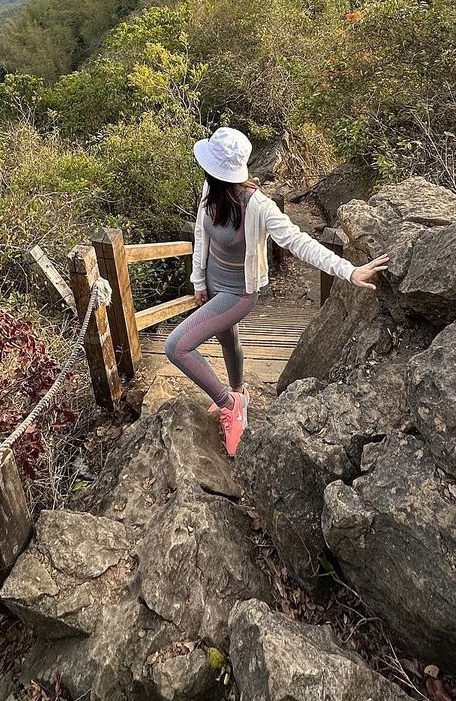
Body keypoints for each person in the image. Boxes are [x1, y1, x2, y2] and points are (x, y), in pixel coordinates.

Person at [164, 127, 389, 456]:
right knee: (229, 340)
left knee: (176, 346)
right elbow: (202, 233)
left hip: (238, 292)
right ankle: (239, 392)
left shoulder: (259, 206)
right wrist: (199, 281)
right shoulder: (210, 188)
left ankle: (229, 405)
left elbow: (300, 242)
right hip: (213, 282)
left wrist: (349, 270)